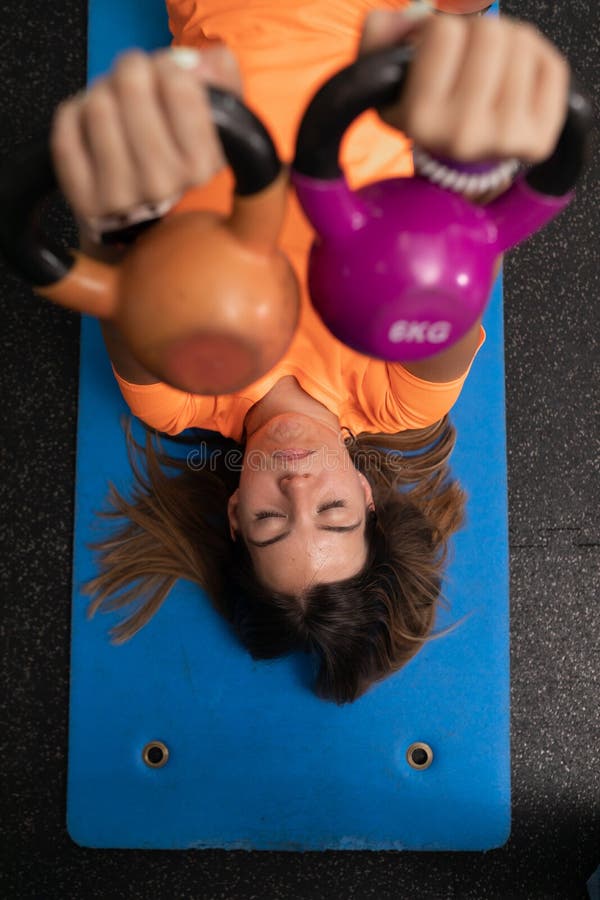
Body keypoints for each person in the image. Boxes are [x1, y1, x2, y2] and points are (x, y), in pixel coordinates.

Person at [50, 1, 569, 703]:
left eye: (270, 521)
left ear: (235, 515)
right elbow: (463, 253)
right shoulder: (399, 397)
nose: (297, 488)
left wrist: (117, 203)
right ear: (364, 494)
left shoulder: (180, 397)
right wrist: (462, 143)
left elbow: (119, 261)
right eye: (331, 513)